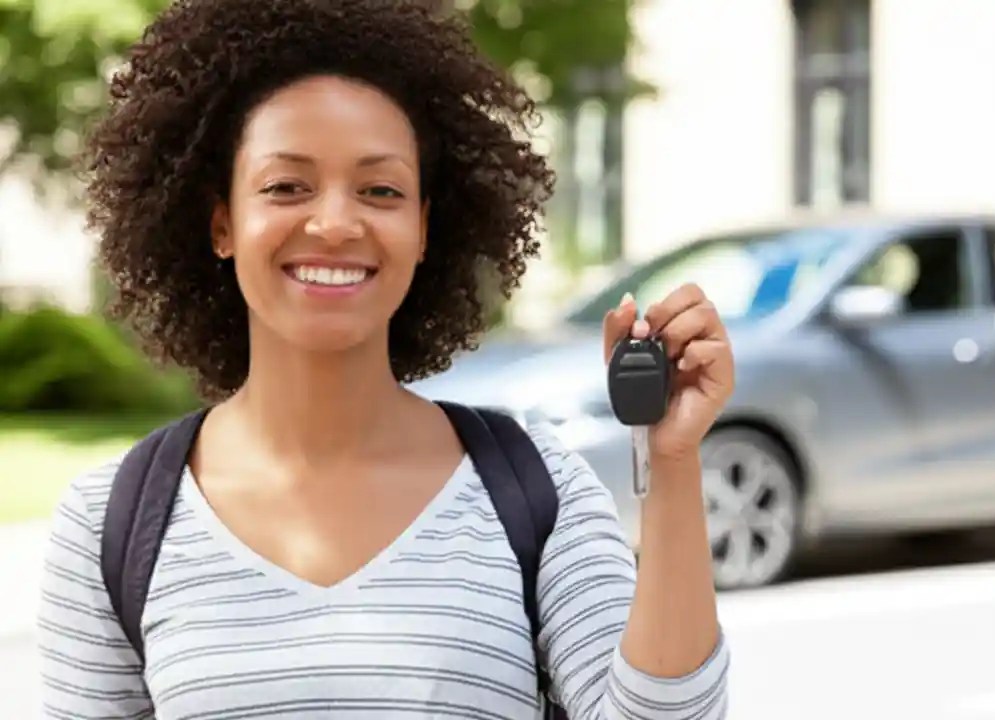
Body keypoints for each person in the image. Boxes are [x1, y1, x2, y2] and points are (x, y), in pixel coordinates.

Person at [37, 1, 732, 717]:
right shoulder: (112, 526)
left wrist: (672, 461)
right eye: (286, 186)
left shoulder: (535, 491)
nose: (336, 223)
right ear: (221, 224)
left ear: (425, 229)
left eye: (381, 190)